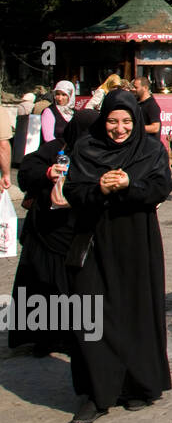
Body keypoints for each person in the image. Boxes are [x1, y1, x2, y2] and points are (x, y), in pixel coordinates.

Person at [63, 89, 172, 423]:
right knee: (91, 314)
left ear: (136, 120)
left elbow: (160, 188)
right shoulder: (86, 148)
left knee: (136, 311)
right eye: (112, 120)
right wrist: (99, 188)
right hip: (94, 239)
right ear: (103, 120)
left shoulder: (151, 150)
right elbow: (73, 190)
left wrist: (129, 185)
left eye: (126, 121)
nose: (120, 128)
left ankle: (138, 384)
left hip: (137, 241)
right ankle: (96, 394)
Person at [10, 110, 97, 355]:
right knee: (42, 285)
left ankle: (72, 336)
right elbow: (27, 171)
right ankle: (43, 338)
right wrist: (48, 173)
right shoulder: (56, 149)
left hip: (77, 234)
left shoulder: (99, 152)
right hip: (46, 231)